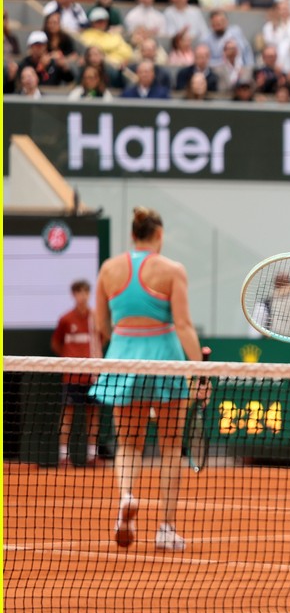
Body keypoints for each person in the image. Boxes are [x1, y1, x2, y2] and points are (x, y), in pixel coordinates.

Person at [90, 207, 205, 552]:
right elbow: (183, 325)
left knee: (128, 442)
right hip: (166, 360)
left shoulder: (109, 269)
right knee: (171, 447)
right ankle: (166, 529)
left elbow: (101, 325)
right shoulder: (172, 270)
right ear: (159, 235)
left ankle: (127, 496)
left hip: (123, 358)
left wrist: (123, 341)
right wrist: (200, 369)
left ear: (132, 234)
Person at [51, 280, 102, 466]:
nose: (83, 296)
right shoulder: (66, 319)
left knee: (93, 415)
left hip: (93, 376)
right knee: (68, 414)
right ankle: (64, 456)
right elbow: (56, 343)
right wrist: (70, 358)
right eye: (79, 292)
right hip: (72, 376)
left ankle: (92, 455)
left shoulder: (96, 318)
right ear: (74, 295)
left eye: (86, 292)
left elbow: (101, 341)